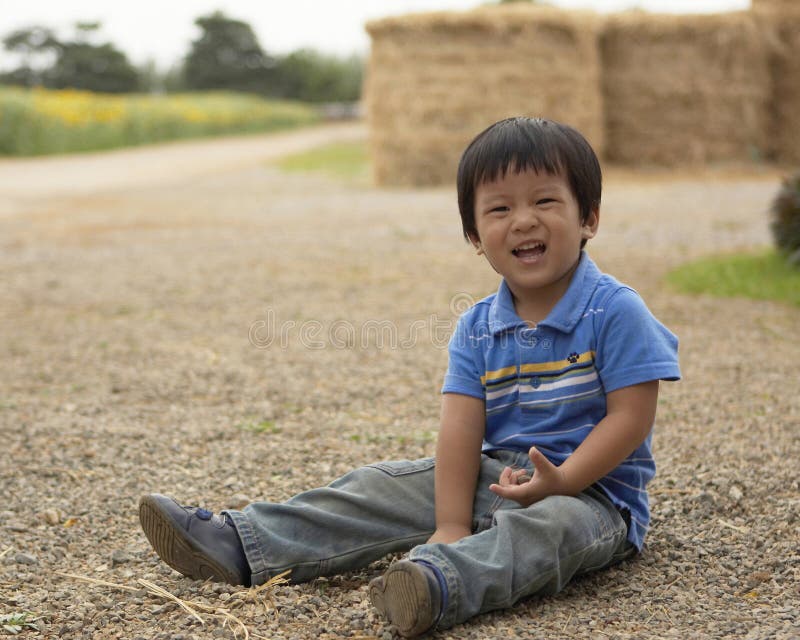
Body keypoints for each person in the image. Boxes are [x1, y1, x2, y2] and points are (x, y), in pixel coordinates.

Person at [138, 117, 680, 637]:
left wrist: (564, 481)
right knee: (380, 487)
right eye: (499, 208)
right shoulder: (477, 326)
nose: (522, 220)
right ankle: (243, 542)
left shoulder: (614, 311)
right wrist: (449, 522)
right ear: (474, 235)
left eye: (544, 201)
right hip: (496, 478)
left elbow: (630, 418)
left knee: (546, 534)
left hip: (592, 497)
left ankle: (436, 584)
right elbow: (461, 431)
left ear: (589, 217)